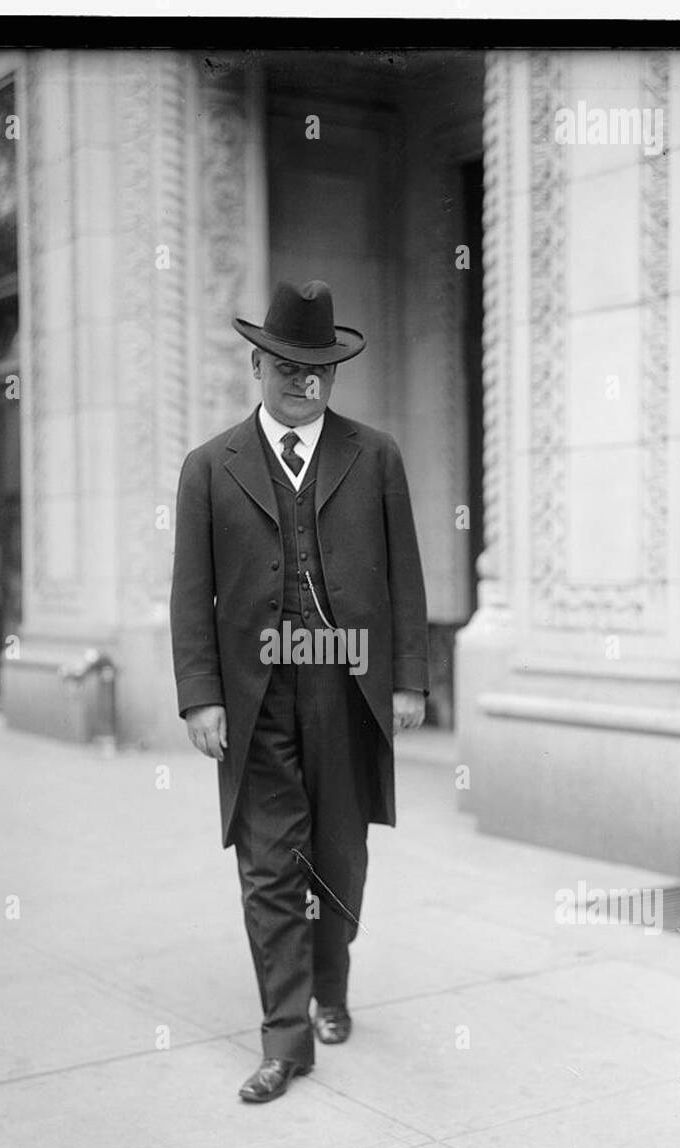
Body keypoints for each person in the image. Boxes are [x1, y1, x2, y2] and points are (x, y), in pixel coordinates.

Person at [170, 279, 429, 1103]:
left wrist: (410, 681)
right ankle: (285, 1039)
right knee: (270, 862)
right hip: (255, 696)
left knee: (339, 857)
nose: (303, 381)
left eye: (318, 368)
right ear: (257, 364)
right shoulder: (209, 468)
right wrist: (200, 694)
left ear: (335, 375)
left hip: (347, 684)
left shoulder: (375, 454)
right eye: (287, 365)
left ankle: (332, 987)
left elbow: (407, 580)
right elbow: (190, 592)